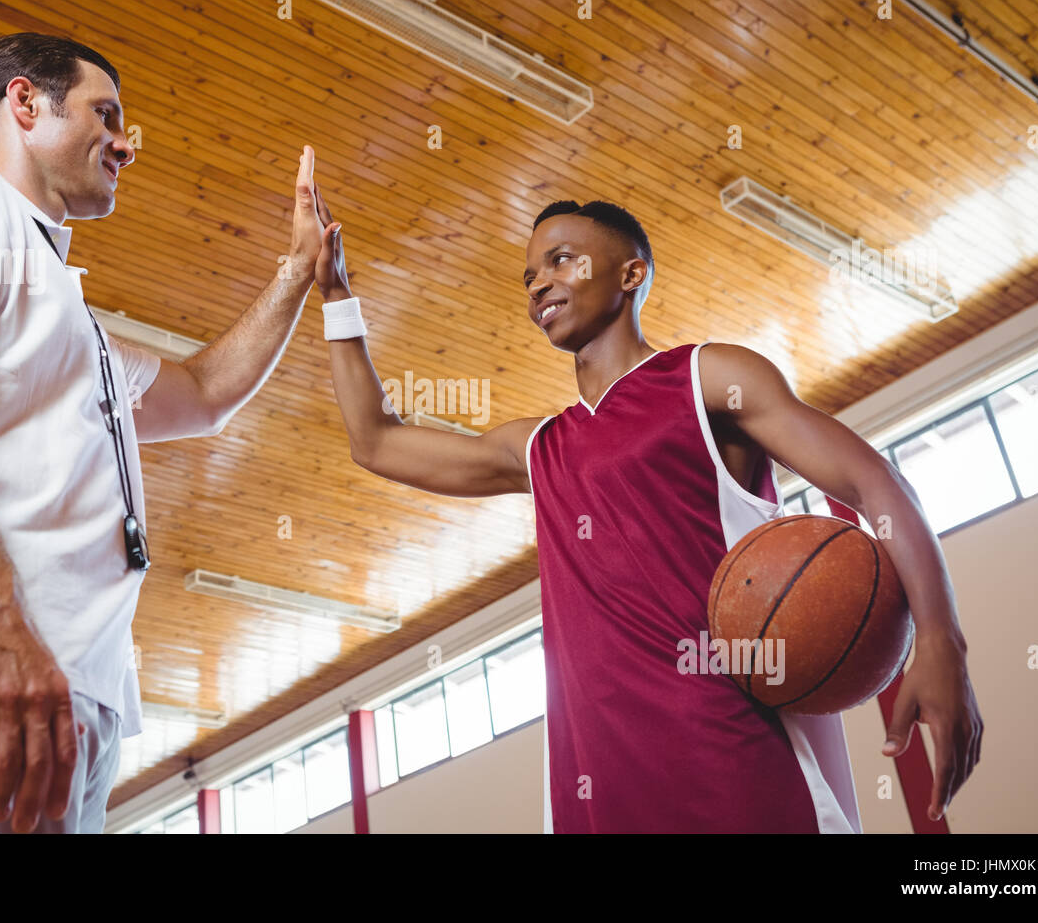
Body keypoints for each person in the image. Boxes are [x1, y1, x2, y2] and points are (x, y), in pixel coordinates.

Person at [309, 194, 983, 832]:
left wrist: (940, 640)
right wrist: (336, 294)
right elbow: (376, 441)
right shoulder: (538, 447)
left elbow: (875, 484)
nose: (540, 283)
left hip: (735, 753)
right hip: (596, 782)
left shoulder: (708, 378)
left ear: (632, 273)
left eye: (561, 259)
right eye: (528, 276)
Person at [0, 32, 337, 833]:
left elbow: (202, 394)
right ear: (24, 102)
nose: (126, 142)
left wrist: (297, 271)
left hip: (62, 708)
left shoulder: (64, 315)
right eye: (106, 113)